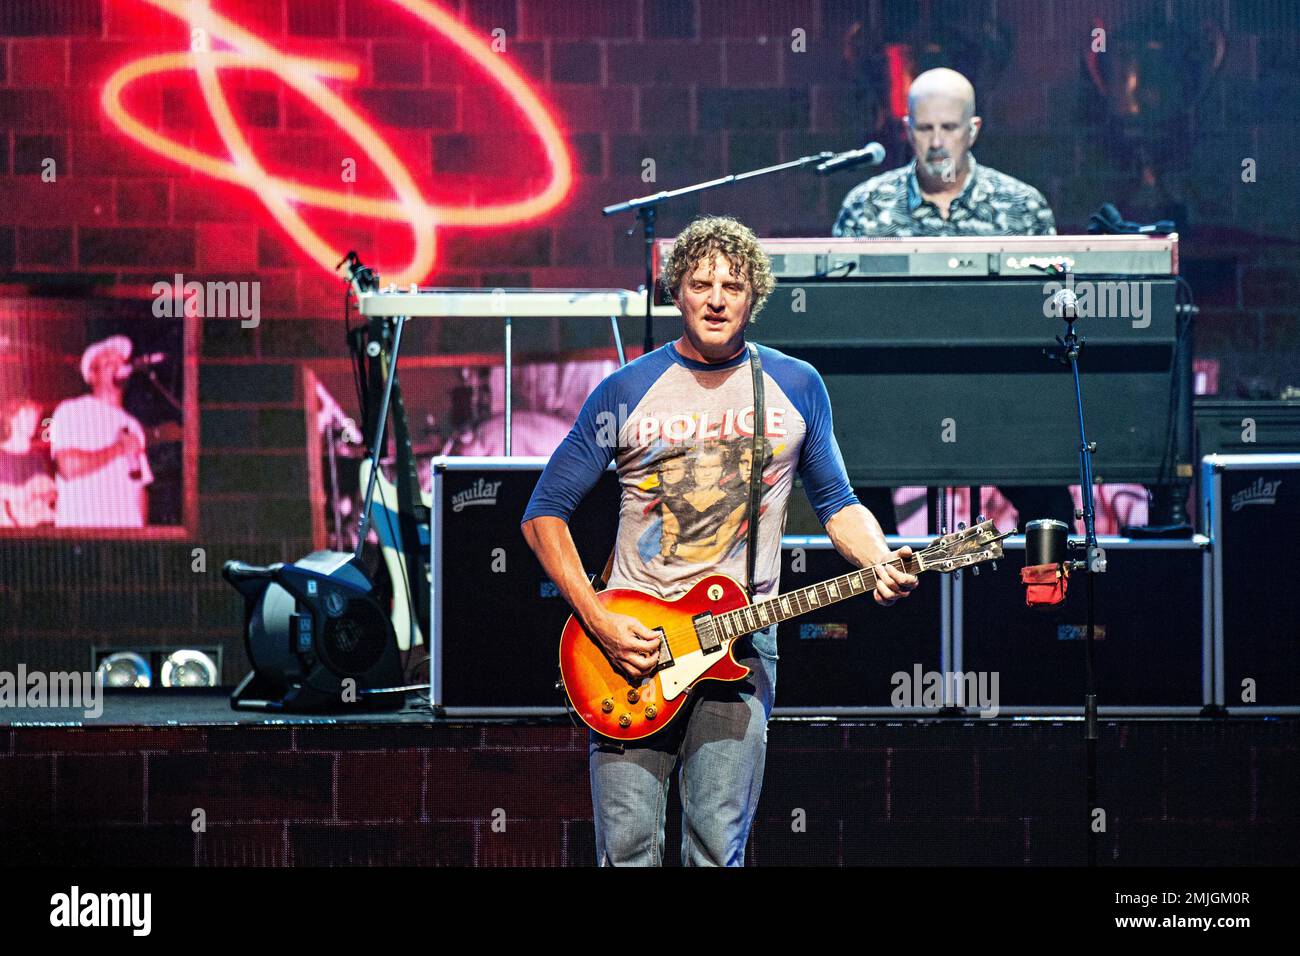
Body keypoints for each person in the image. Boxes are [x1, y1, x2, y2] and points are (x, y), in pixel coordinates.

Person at [521, 216, 918, 866]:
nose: (715, 297)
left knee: (715, 854)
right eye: (701, 283)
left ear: (752, 296)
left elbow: (839, 505)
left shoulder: (795, 386)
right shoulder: (626, 389)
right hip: (631, 653)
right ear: (676, 290)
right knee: (627, 856)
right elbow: (543, 514)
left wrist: (878, 560)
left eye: (732, 285)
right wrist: (598, 619)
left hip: (741, 644)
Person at [832, 66, 1074, 530]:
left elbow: (1047, 315)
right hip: (894, 401)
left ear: (973, 130)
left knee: (1050, 499)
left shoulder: (1022, 206)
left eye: (949, 128)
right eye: (924, 129)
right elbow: (845, 317)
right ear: (907, 131)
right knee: (855, 488)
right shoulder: (866, 207)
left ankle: (1034, 598)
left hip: (997, 401)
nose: (937, 141)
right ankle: (886, 596)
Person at [50, 336, 153, 528]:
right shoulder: (71, 410)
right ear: (91, 375)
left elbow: (139, 487)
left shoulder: (133, 425)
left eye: (120, 360)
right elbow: (68, 467)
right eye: (108, 360)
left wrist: (142, 535)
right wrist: (118, 449)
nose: (117, 363)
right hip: (85, 532)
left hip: (126, 538)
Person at [0, 398, 55, 527]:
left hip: (32, 534)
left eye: (34, 414)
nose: (34, 417)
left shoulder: (36, 459)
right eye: (26, 413)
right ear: (13, 418)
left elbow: (49, 496)